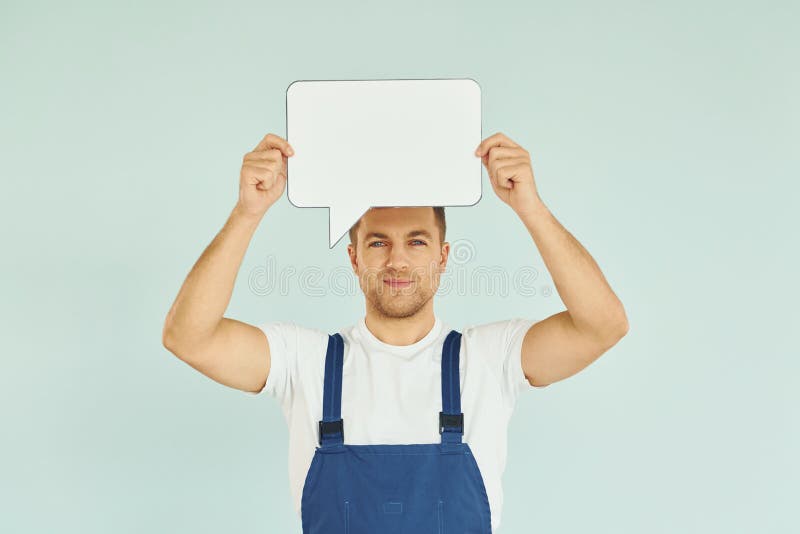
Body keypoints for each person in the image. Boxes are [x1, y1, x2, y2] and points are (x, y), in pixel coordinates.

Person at [162, 131, 629, 533]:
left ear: (443, 257)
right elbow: (188, 337)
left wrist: (531, 208)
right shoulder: (303, 360)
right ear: (354, 258)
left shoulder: (490, 358)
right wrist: (247, 212)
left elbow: (602, 325)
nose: (397, 261)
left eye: (417, 241)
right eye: (378, 242)